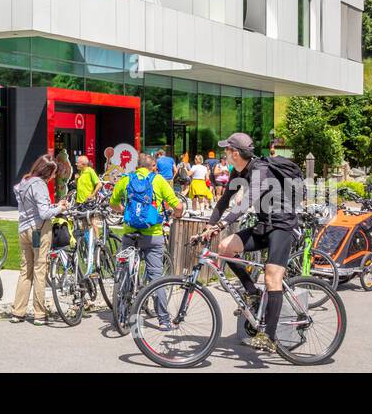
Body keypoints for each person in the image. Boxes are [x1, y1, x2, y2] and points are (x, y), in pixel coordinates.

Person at [201, 132, 298, 353]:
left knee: (272, 276)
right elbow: (225, 201)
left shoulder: (260, 171)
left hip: (282, 226)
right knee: (226, 248)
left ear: (235, 153)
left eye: (226, 149)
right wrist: (210, 225)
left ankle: (269, 337)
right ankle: (252, 292)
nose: (224, 153)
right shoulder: (238, 171)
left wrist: (222, 224)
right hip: (265, 224)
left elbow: (243, 204)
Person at [110, 151, 183, 330]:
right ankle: (164, 320)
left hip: (129, 233)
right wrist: (177, 215)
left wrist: (124, 211)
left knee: (125, 268)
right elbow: (178, 205)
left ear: (136, 166)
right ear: (153, 167)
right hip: (152, 235)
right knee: (156, 277)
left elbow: (113, 203)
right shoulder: (158, 180)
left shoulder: (126, 179)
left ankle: (122, 311)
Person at [11, 155, 67, 324]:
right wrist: (59, 207)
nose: (53, 177)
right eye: (53, 173)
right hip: (39, 230)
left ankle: (18, 312)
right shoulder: (39, 185)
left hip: (23, 229)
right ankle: (39, 313)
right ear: (47, 171)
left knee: (25, 270)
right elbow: (44, 213)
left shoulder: (25, 182)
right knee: (39, 269)